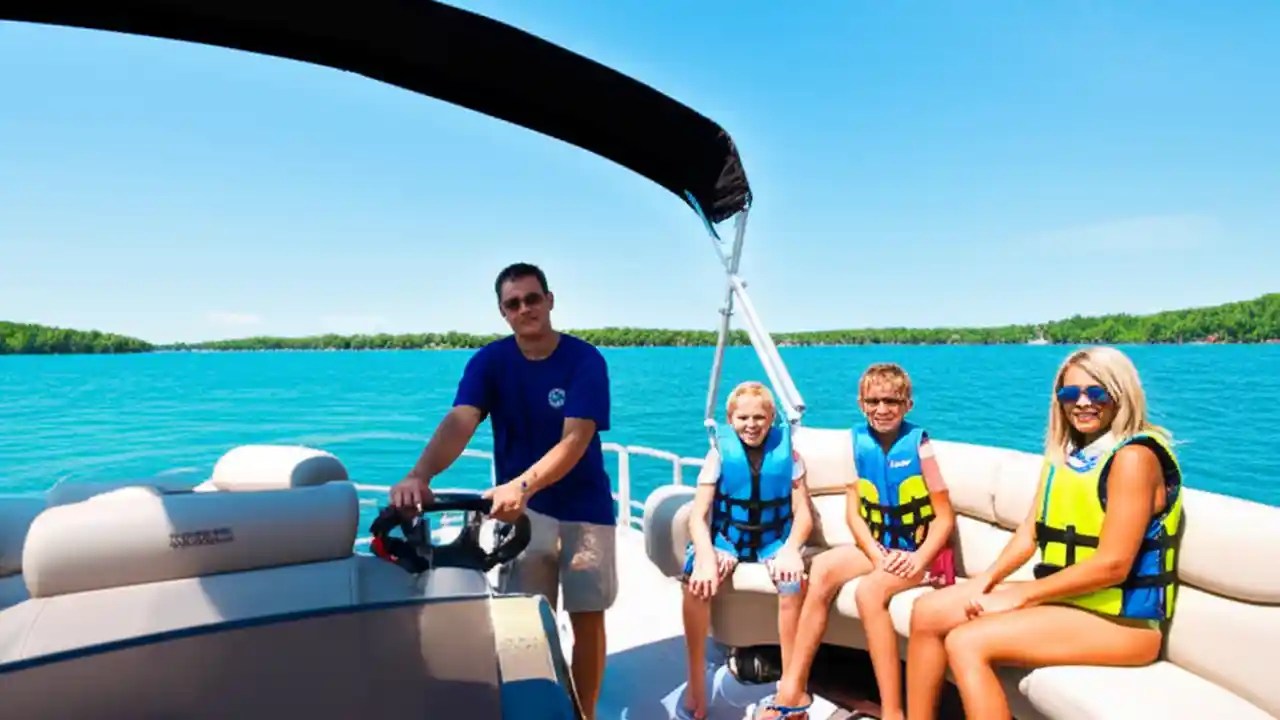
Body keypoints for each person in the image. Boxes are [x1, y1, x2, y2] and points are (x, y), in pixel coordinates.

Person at [903, 345, 1184, 720]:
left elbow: (1113, 565)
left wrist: (1020, 596)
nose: (1082, 403)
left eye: (1096, 392)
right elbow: (1029, 532)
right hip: (1068, 602)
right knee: (927, 611)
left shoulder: (1134, 458)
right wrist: (986, 581)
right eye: (1070, 393)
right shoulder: (1066, 456)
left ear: (1121, 394)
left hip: (1123, 624)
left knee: (967, 642)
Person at [389, 262, 616, 720]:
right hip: (523, 515)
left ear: (549, 300)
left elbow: (575, 440)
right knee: (527, 622)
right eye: (513, 303)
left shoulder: (585, 359)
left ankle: (586, 714)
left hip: (584, 509)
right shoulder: (489, 362)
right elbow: (460, 422)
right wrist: (419, 476)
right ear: (502, 312)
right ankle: (538, 705)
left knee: (587, 618)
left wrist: (521, 485)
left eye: (532, 298)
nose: (524, 309)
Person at [753, 362, 956, 720]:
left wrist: (918, 558)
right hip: (880, 548)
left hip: (921, 556)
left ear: (907, 405)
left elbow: (944, 517)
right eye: (873, 401)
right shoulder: (858, 443)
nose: (882, 409)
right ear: (862, 404)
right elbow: (854, 514)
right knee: (822, 570)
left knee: (869, 592)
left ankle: (892, 710)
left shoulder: (919, 446)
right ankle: (793, 690)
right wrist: (876, 554)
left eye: (892, 401)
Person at [679, 381, 814, 720]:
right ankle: (696, 683)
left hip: (773, 541)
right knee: (696, 584)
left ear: (771, 419)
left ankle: (790, 686)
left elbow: (803, 514)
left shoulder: (790, 456)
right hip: (728, 540)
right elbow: (698, 515)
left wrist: (791, 550)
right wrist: (706, 557)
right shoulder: (718, 455)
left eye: (759, 418)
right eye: (743, 418)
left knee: (793, 584)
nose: (751, 425)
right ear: (730, 420)